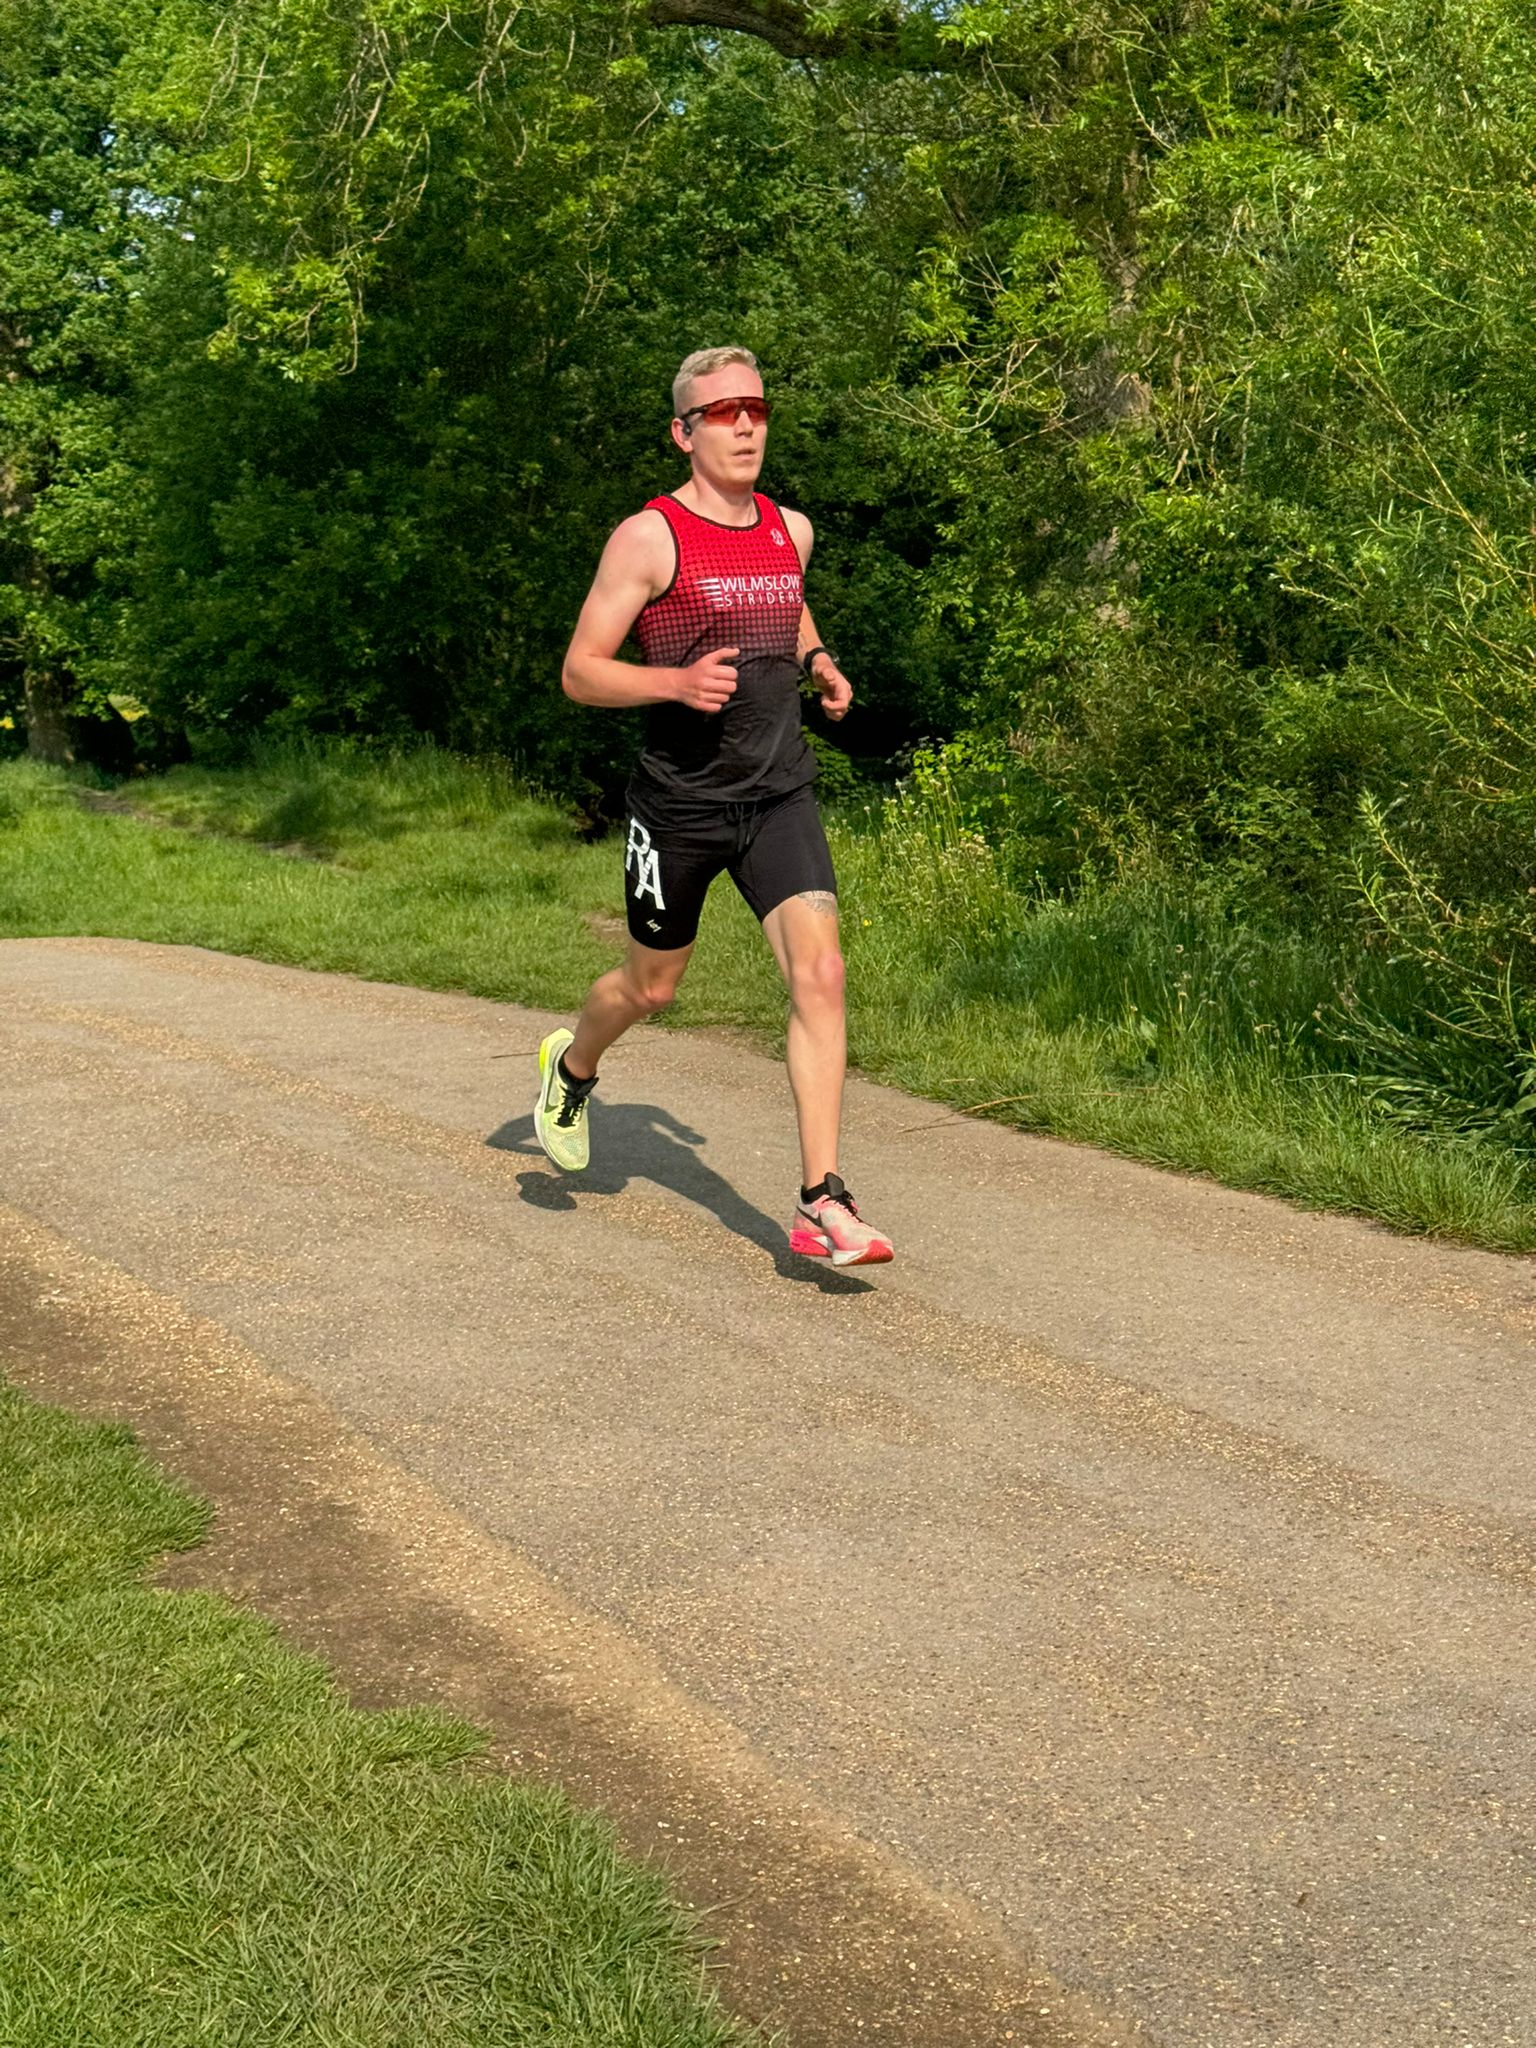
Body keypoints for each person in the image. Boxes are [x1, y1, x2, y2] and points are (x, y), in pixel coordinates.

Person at [533, 344, 893, 1268]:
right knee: (652, 987)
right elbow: (580, 672)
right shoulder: (649, 537)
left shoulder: (791, 529)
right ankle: (572, 1069)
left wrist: (818, 662)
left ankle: (823, 1199)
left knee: (822, 978)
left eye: (757, 409)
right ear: (684, 432)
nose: (743, 424)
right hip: (680, 806)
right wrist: (673, 682)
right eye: (722, 411)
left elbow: (787, 601)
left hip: (778, 794)